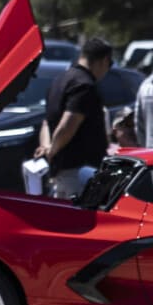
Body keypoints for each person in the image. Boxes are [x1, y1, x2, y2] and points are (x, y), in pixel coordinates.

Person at [34, 37, 113, 199]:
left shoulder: (59, 81)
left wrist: (47, 145)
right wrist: (51, 151)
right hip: (80, 173)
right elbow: (69, 123)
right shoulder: (84, 85)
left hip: (62, 173)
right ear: (104, 60)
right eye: (109, 64)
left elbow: (46, 122)